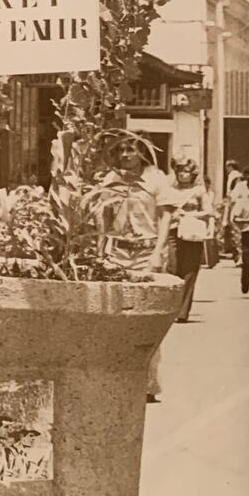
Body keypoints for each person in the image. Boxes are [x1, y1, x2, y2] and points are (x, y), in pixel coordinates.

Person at [96, 137, 166, 402]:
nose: (125, 155)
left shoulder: (155, 179)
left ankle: (147, 383)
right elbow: (103, 217)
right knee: (115, 317)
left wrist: (158, 252)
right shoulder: (111, 179)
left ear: (142, 153)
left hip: (146, 252)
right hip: (118, 253)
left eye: (130, 150)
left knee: (148, 320)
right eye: (120, 150)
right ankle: (117, 379)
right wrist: (100, 252)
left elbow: (166, 216)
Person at [159, 160, 214, 323]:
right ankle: (170, 307)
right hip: (173, 231)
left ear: (193, 174)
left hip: (191, 232)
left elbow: (209, 211)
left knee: (189, 270)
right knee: (172, 267)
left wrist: (190, 215)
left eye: (187, 172)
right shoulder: (170, 190)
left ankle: (182, 312)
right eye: (180, 171)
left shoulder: (198, 191)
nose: (183, 175)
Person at [231, 171, 249, 294]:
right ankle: (246, 278)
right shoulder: (243, 201)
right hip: (248, 234)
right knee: (248, 260)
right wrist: (248, 221)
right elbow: (235, 218)